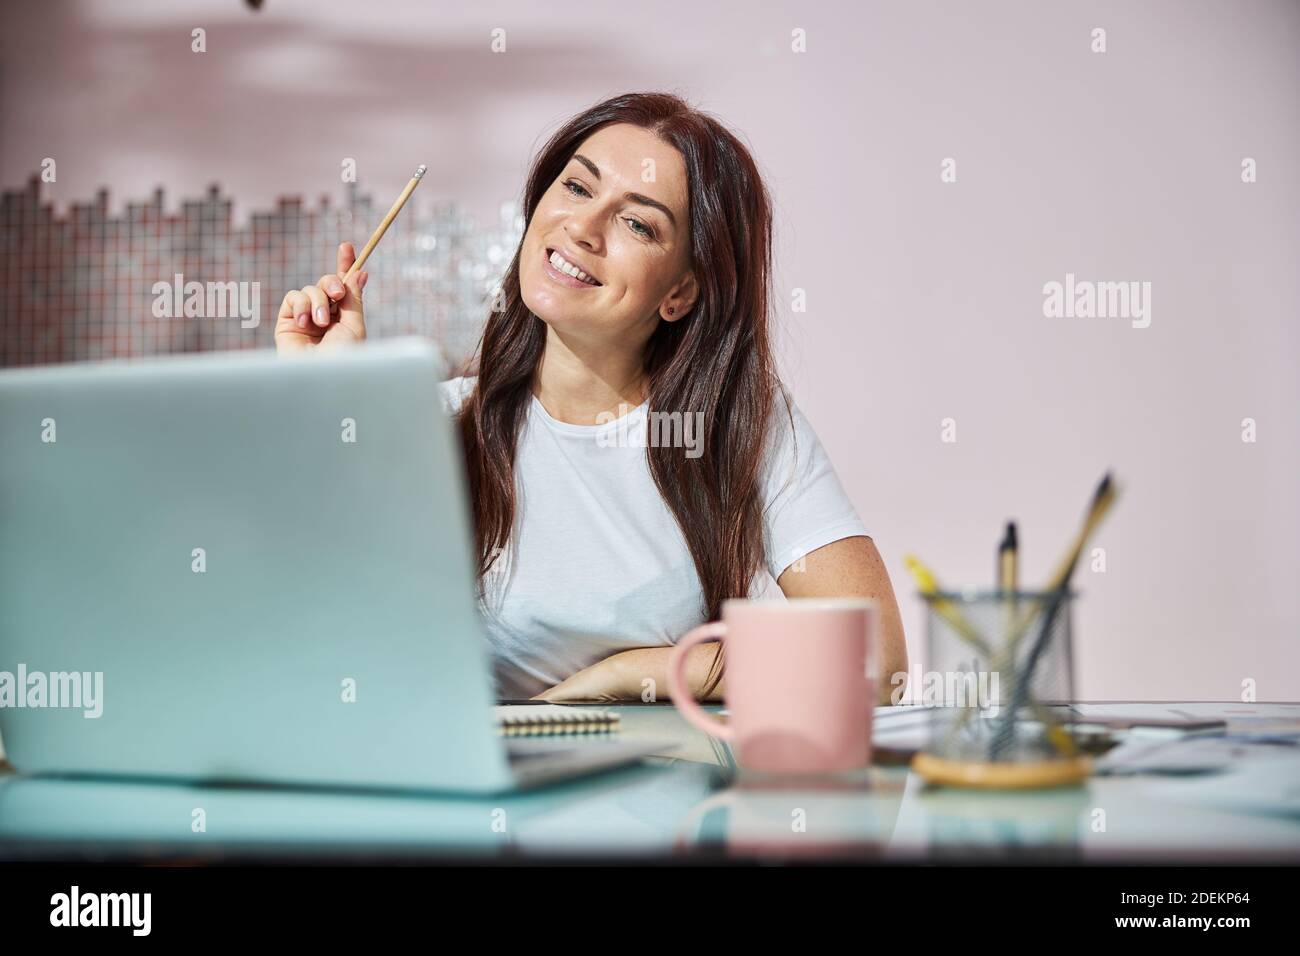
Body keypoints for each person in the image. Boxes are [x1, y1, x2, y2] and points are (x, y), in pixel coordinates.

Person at [274, 91, 907, 704]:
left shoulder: (738, 425)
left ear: (682, 292)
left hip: (677, 797)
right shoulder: (435, 423)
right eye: (577, 187)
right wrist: (323, 403)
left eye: (637, 222)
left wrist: (646, 671)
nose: (583, 227)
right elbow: (299, 638)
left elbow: (875, 663)